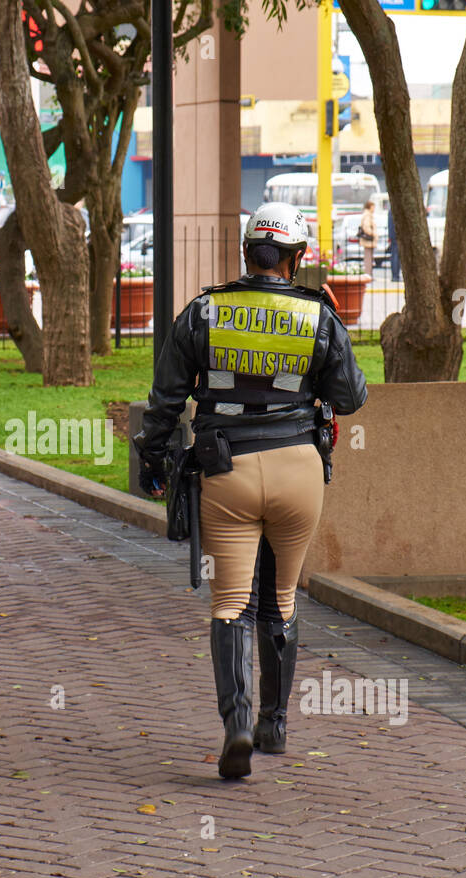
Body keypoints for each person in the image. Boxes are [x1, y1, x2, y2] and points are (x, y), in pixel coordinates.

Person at [133, 201, 368, 780]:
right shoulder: (315, 315)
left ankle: (236, 724)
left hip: (226, 470)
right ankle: (275, 723)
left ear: (245, 252)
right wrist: (332, 322)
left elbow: (164, 401)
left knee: (230, 603)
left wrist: (156, 458)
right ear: (298, 257)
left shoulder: (204, 311)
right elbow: (351, 396)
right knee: (281, 600)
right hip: (298, 469)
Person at [359, 199, 377, 275]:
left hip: (369, 241)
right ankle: (368, 273)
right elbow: (366, 227)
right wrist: (373, 233)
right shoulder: (367, 216)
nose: (374, 209)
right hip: (368, 240)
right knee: (368, 258)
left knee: (369, 257)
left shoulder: (367, 215)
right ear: (370, 207)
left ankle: (369, 273)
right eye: (373, 207)